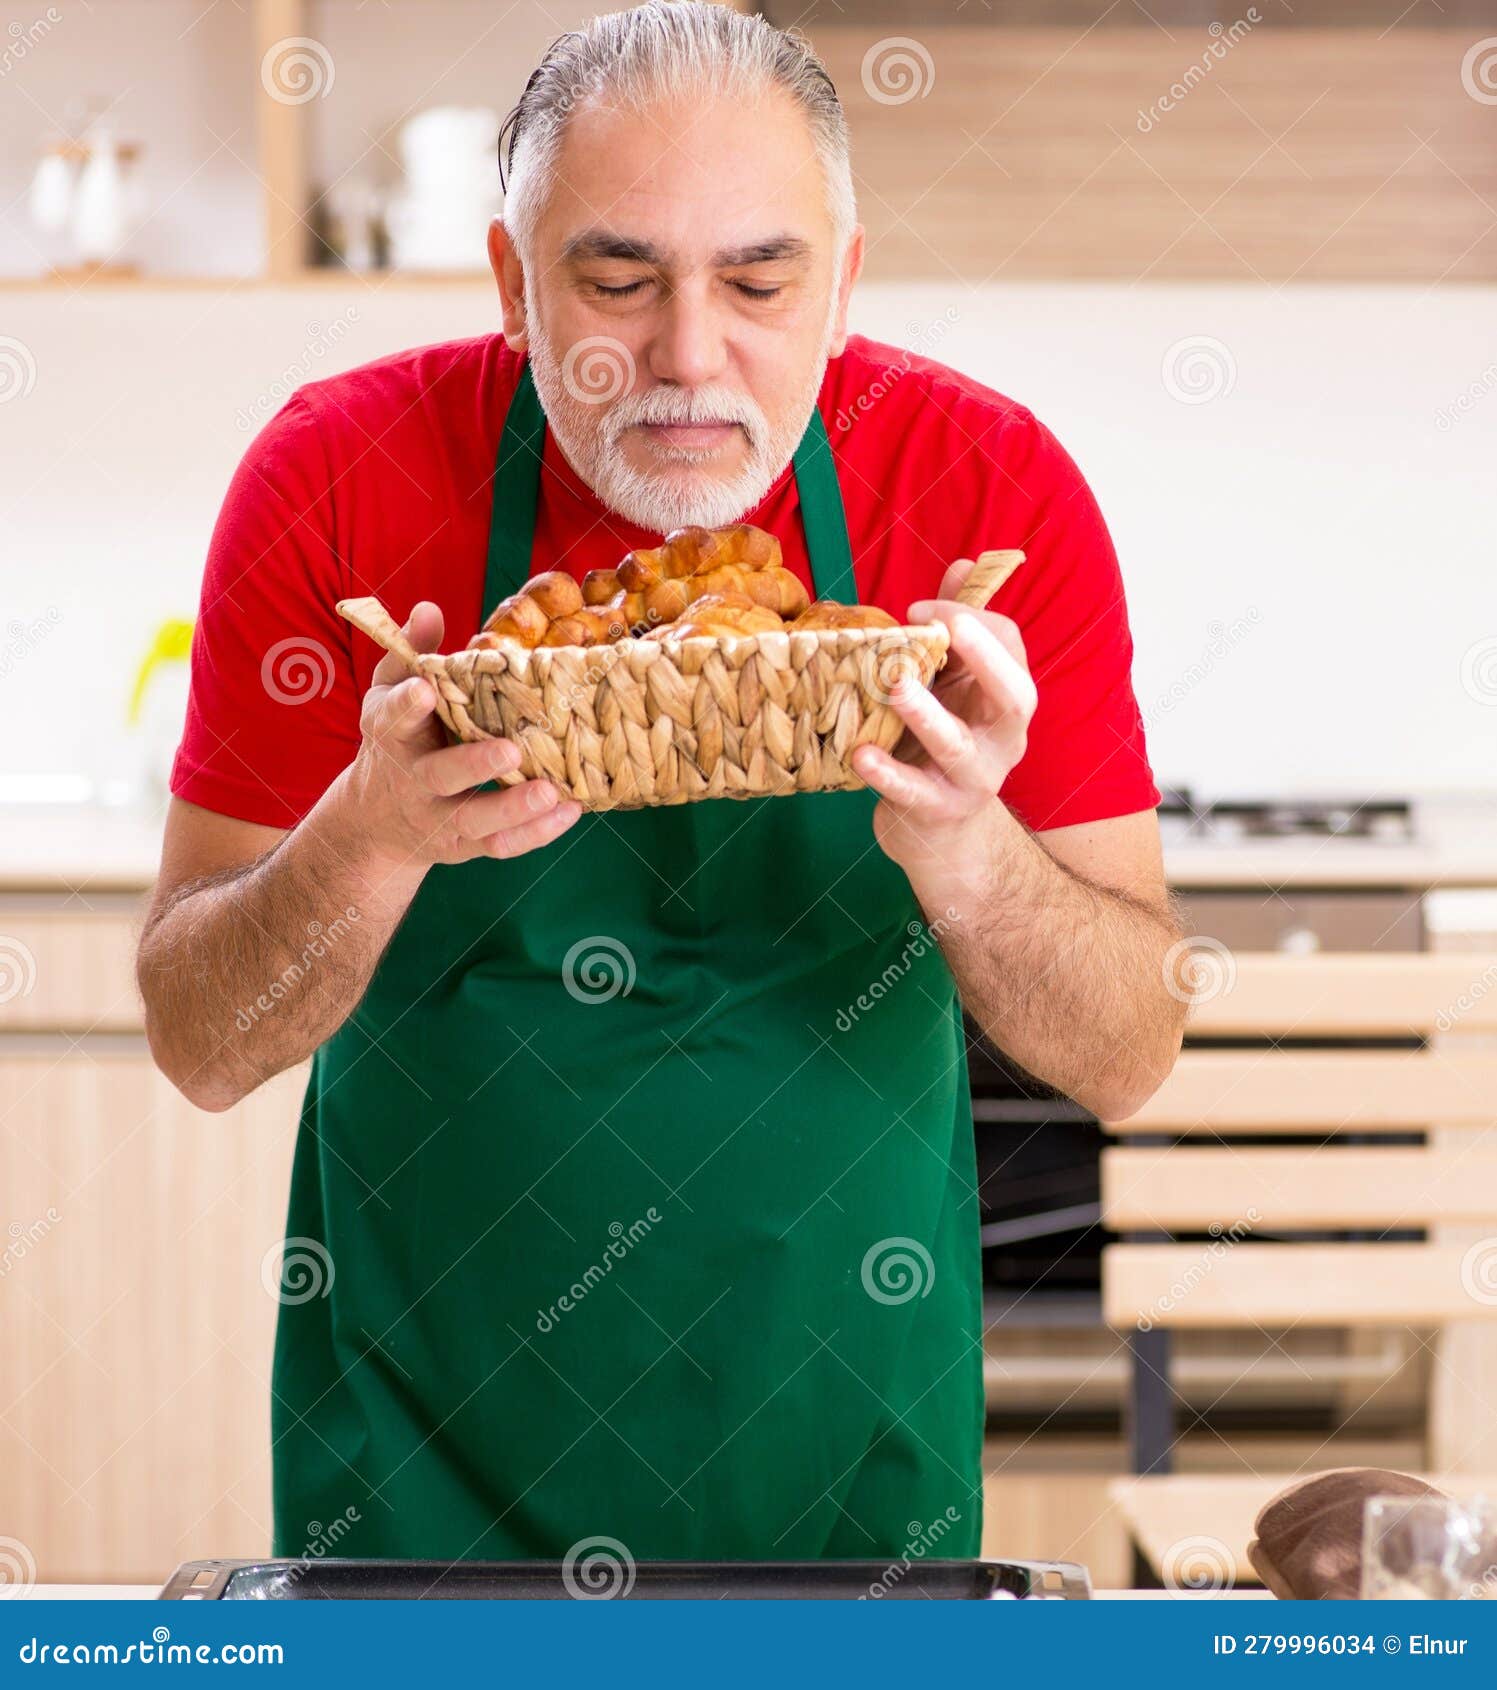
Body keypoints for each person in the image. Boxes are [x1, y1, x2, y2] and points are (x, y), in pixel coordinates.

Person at [137, 0, 1184, 1564]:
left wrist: (968, 853)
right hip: (423, 1481)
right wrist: (364, 840)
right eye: (614, 279)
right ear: (509, 280)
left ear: (840, 284)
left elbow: (1130, 1055)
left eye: (759, 281)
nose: (687, 357)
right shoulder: (339, 478)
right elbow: (199, 1042)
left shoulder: (979, 491)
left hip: (848, 1468)